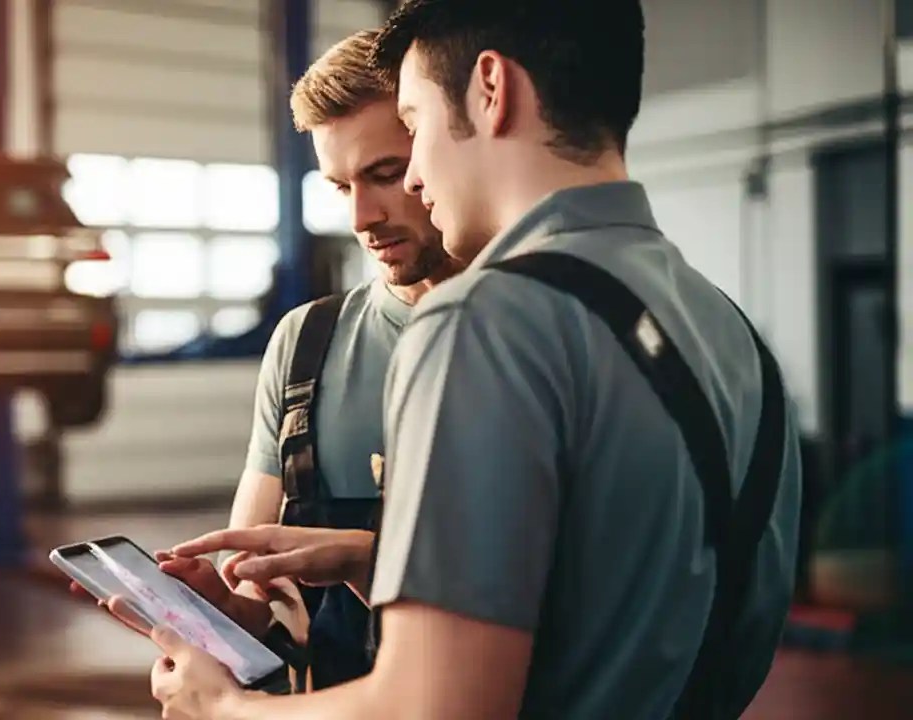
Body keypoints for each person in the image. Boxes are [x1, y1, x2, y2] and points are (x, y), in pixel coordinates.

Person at [142, 1, 803, 718]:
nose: (411, 183)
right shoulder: (730, 333)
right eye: (340, 187)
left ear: (492, 89)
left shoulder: (482, 323)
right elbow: (639, 605)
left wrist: (221, 708)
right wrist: (371, 563)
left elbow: (438, 707)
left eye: (414, 129)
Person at [72, 29, 459, 690]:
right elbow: (257, 599)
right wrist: (215, 612)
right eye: (340, 188)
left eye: (385, 174)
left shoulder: (526, 338)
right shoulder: (307, 344)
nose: (363, 217)